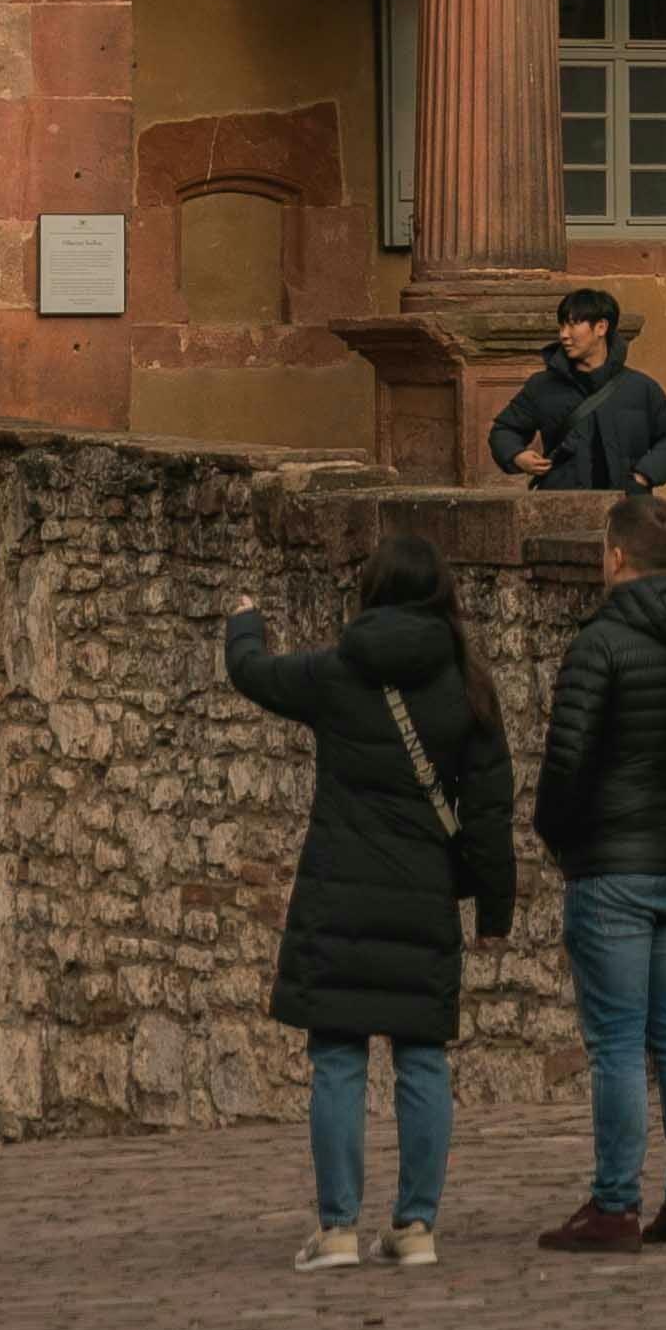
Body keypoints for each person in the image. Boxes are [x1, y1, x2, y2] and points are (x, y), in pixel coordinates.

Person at [222, 514, 518, 1274]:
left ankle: (338, 1228)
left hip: (339, 895)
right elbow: (488, 808)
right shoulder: (468, 684)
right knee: (422, 1059)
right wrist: (493, 907)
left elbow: (255, 675)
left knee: (339, 1059)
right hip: (422, 895)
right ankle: (416, 1225)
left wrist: (244, 621)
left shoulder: (337, 672)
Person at [531, 489, 666, 1253]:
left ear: (616, 554)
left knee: (619, 1041)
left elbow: (566, 763)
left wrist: (563, 835)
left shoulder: (600, 643)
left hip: (611, 861)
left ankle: (615, 1202)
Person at [484, 280, 666, 494]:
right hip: (561, 507)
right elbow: (503, 430)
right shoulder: (542, 386)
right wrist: (517, 456)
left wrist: (644, 476)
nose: (564, 334)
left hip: (626, 512)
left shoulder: (640, 387)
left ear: (601, 327)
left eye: (572, 324)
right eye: (561, 326)